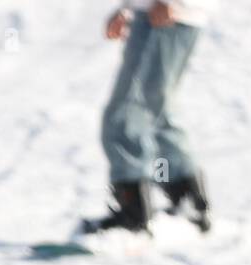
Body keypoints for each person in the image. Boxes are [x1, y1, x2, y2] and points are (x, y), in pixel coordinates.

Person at [86, 0, 216, 235]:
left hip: (167, 14)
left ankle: (132, 215)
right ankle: (189, 200)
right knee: (155, 110)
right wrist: (128, 7)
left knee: (125, 115)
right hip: (160, 13)